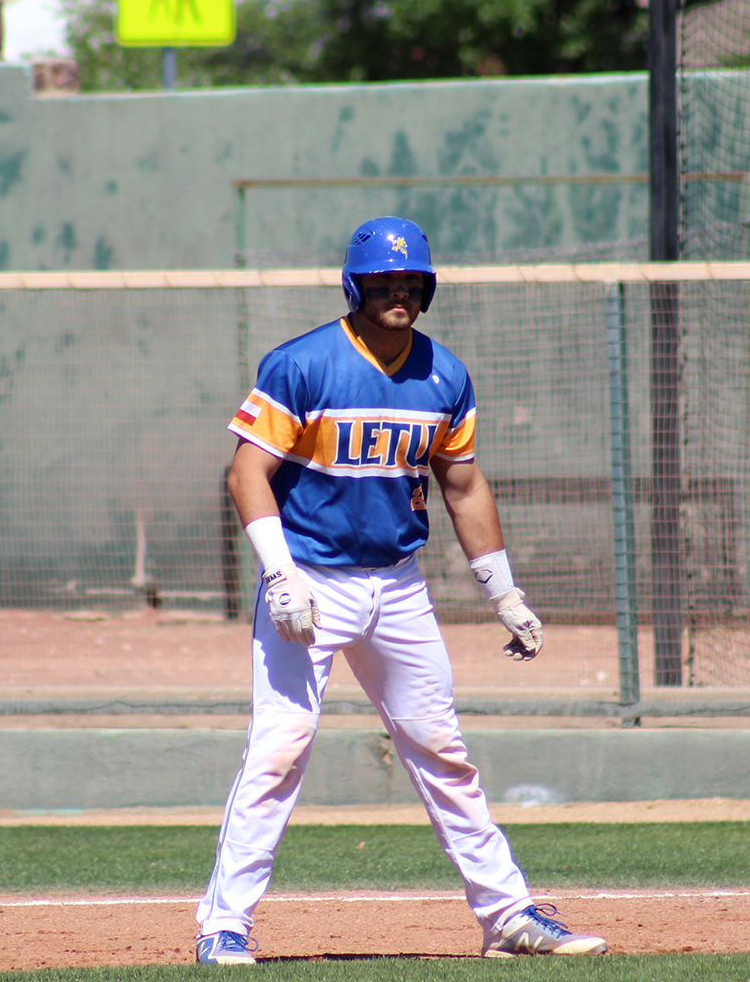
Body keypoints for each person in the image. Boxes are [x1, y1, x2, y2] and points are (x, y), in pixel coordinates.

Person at [194, 216, 609, 964]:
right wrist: (279, 572)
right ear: (354, 286)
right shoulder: (301, 363)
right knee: (280, 749)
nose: (400, 293)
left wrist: (504, 593)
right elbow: (246, 471)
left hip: (398, 585)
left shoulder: (444, 374)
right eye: (385, 282)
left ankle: (509, 917)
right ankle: (224, 925)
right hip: (309, 580)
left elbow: (463, 483)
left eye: (412, 282)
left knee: (442, 748)